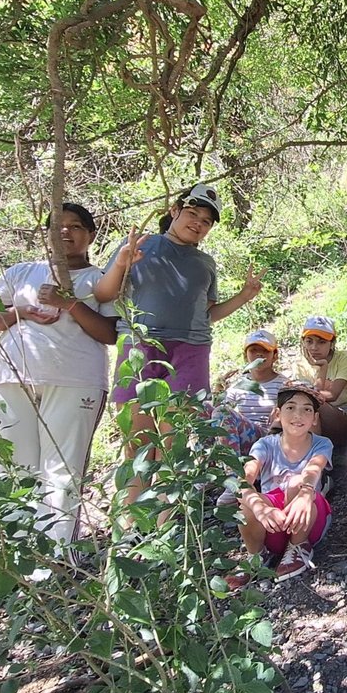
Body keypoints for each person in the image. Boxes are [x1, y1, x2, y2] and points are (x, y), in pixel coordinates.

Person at [93, 184, 263, 509]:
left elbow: (207, 314)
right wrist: (121, 264)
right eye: (192, 213)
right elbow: (103, 294)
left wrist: (243, 297)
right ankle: (129, 529)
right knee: (138, 445)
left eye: (206, 221)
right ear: (174, 211)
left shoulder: (205, 263)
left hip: (191, 350)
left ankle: (167, 533)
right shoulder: (141, 245)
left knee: (175, 444)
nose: (197, 223)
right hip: (140, 345)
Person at [0, 202, 117, 543]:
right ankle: (15, 554)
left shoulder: (101, 280)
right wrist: (22, 311)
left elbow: (111, 333)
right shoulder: (20, 272)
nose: (66, 231)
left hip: (76, 381)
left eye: (76, 226)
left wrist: (69, 303)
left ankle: (56, 558)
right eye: (57, 226)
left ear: (91, 235)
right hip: (12, 379)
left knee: (62, 471)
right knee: (11, 468)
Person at [226, 383, 334, 588]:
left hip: (310, 517)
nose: (298, 415)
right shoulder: (265, 444)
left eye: (307, 409)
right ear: (278, 413)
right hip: (272, 522)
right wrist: (260, 508)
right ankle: (256, 555)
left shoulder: (322, 443)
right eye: (290, 407)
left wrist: (305, 493)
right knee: (246, 504)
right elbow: (243, 479)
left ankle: (298, 547)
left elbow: (314, 469)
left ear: (315, 419)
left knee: (297, 482)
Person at [291, 315, 347, 454]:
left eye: (321, 342)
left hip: (341, 415)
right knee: (303, 408)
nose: (314, 347)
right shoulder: (299, 365)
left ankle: (316, 456)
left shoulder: (344, 358)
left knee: (313, 405)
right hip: (310, 415)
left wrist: (323, 368)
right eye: (309, 341)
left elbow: (332, 395)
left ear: (332, 343)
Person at [219, 329, 288, 437]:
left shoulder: (284, 385)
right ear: (245, 356)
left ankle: (227, 453)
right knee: (209, 408)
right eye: (253, 350)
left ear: (275, 356)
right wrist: (218, 389)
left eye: (265, 351)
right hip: (241, 436)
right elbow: (222, 411)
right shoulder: (239, 384)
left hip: (269, 437)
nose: (259, 354)